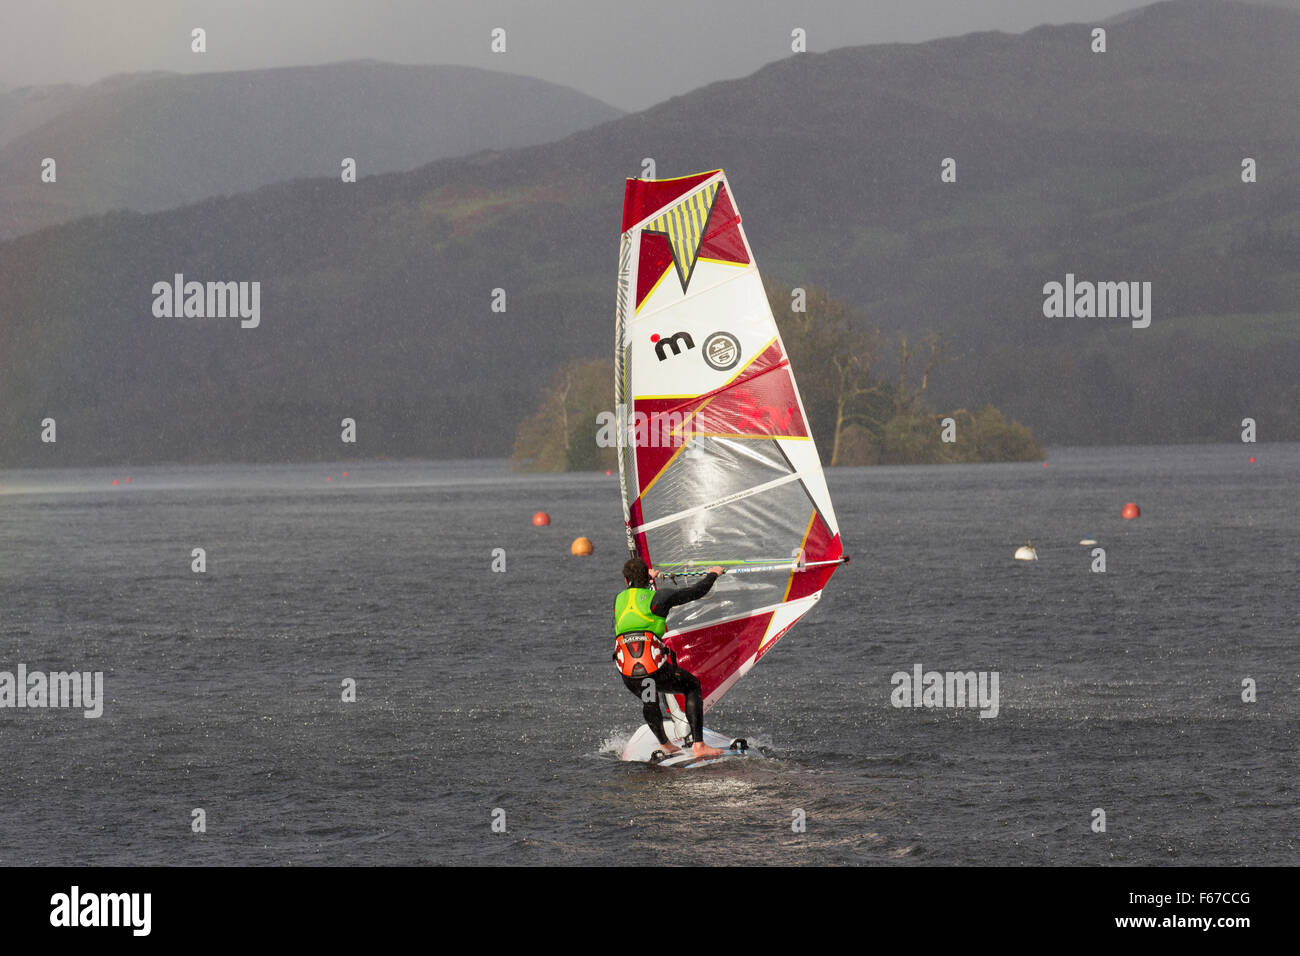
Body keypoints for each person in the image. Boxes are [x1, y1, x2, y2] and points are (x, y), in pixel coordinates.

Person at [613, 556, 726, 759]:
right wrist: (713, 574)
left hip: (628, 673)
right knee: (691, 686)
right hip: (653, 669)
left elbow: (638, 601)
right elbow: (696, 592)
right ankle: (699, 745)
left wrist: (646, 581)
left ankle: (666, 744)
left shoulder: (619, 600)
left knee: (650, 699)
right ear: (647, 579)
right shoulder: (659, 598)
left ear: (625, 580)